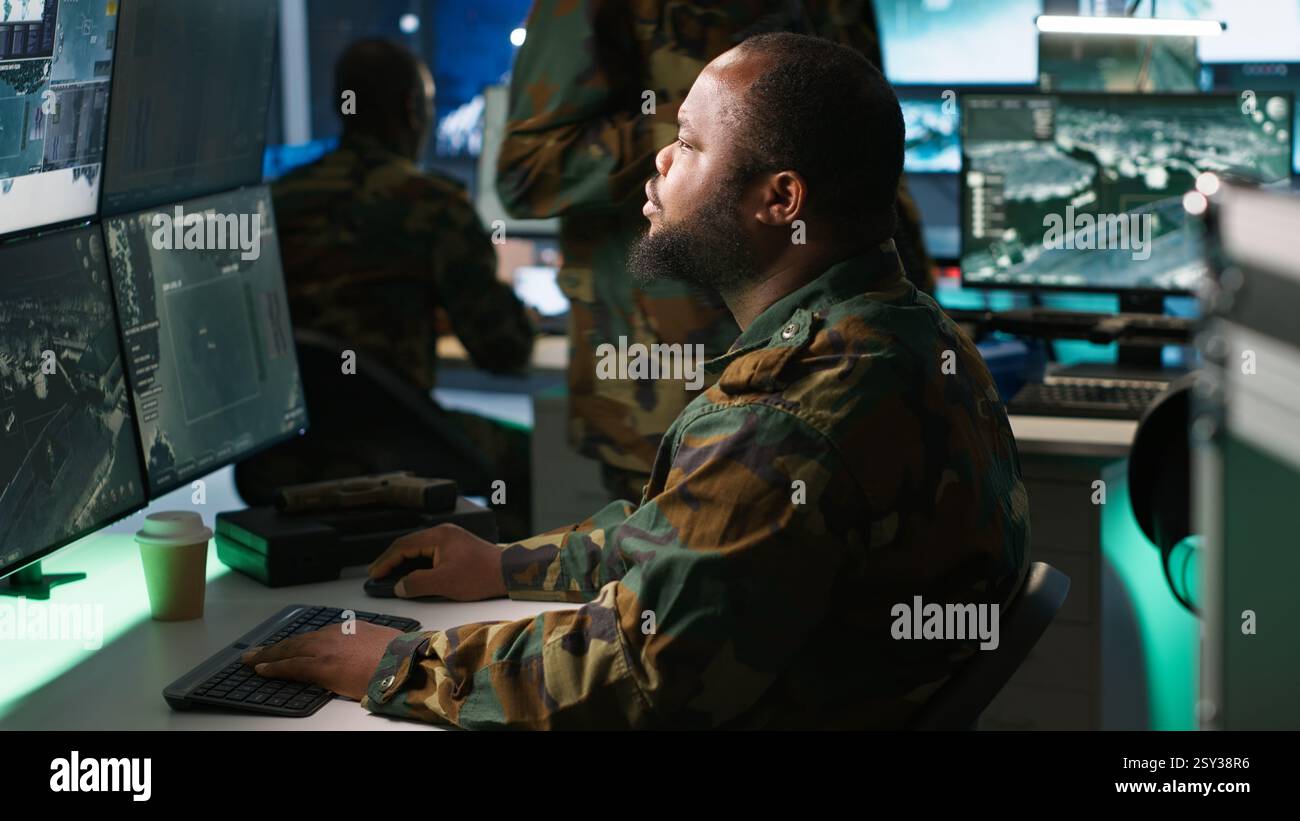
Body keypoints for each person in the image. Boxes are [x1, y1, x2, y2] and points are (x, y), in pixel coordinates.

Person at [244, 33, 1028, 730]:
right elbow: (693, 544)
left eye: (687, 144)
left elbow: (636, 675)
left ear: (779, 199)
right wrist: (503, 565)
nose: (658, 159)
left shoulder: (789, 415)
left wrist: (396, 663)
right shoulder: (909, 332)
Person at [496, 0, 935, 504]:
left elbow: (860, 143)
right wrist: (714, 121)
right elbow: (527, 173)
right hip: (671, 377)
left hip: (850, 348)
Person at [271, 38, 536, 538]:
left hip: (289, 448)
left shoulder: (282, 200)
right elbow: (504, 349)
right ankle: (505, 587)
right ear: (414, 111)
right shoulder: (432, 203)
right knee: (534, 456)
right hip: (393, 443)